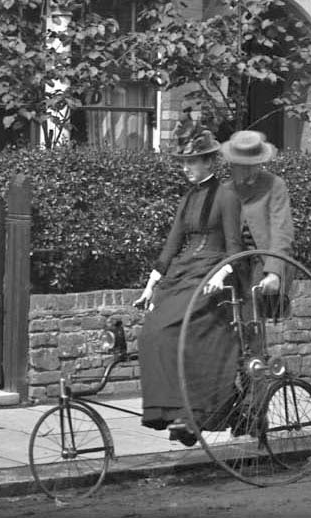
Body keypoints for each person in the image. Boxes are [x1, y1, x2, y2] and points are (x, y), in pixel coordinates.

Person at [134, 130, 242, 445]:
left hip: (211, 276)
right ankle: (168, 410)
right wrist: (151, 285)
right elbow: (171, 245)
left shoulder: (227, 195)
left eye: (192, 162)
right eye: (184, 162)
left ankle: (191, 411)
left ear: (210, 161)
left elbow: (235, 246)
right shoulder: (189, 198)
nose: (186, 168)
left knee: (174, 332)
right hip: (183, 274)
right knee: (151, 331)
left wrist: (221, 275)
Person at [221, 130, 294, 314]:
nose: (250, 170)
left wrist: (274, 272)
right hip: (233, 261)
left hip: (264, 259)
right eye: (243, 166)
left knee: (253, 310)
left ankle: (254, 340)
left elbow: (281, 231)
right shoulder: (225, 190)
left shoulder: (274, 185)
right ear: (233, 164)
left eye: (254, 165)